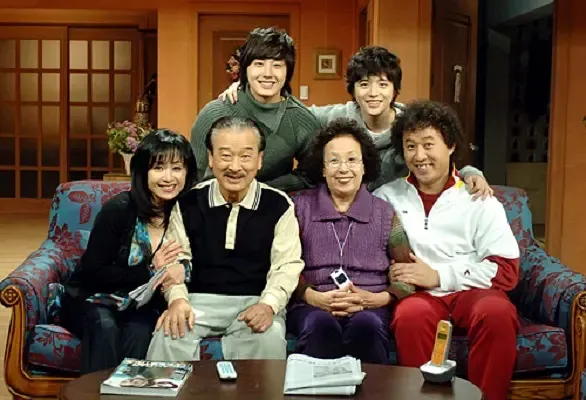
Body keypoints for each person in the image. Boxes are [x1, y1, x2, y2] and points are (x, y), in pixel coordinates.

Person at [373, 100, 520, 400]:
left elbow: (506, 270)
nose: (419, 156)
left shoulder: (479, 198)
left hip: (473, 292)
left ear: (451, 145)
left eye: (429, 144)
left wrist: (439, 276)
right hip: (419, 296)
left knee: (497, 313)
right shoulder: (387, 197)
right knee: (410, 316)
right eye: (410, 146)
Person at [219, 46, 491, 194]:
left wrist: (471, 172)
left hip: (394, 213)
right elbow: (289, 111)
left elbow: (439, 155)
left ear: (395, 89)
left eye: (383, 85)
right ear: (353, 90)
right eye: (364, 84)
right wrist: (246, 91)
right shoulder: (337, 117)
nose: (373, 93)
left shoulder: (411, 124)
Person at [146, 116, 304, 361]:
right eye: (226, 155)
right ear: (211, 158)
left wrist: (269, 304)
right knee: (169, 334)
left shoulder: (279, 205)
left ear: (259, 160)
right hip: (197, 301)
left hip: (256, 300)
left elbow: (287, 265)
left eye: (245, 156)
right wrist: (177, 300)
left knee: (269, 337)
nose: (235, 166)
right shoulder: (188, 202)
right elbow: (175, 260)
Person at [60, 129, 197, 374]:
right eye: (158, 168)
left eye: (177, 168)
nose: (168, 177)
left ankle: (133, 390)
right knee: (105, 328)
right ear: (143, 172)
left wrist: (182, 271)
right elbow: (93, 271)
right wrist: (150, 269)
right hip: (94, 298)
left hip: (141, 305)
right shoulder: (119, 210)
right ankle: (97, 391)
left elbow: (197, 263)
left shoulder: (188, 214)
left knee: (141, 331)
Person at [287, 118, 397, 364]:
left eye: (352, 160)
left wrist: (378, 298)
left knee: (367, 326)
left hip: (369, 305)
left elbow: (406, 274)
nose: (343, 169)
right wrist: (310, 295)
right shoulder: (298, 207)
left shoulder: (385, 212)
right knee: (320, 325)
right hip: (312, 304)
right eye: (334, 161)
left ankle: (373, 387)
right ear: (323, 169)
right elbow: (283, 263)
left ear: (364, 166)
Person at [191, 27, 320, 192]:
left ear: (288, 71)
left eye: (277, 65)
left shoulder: (300, 119)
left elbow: (309, 176)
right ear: (245, 68)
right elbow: (193, 177)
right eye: (259, 64)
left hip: (272, 204)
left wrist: (262, 192)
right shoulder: (214, 113)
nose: (267, 73)